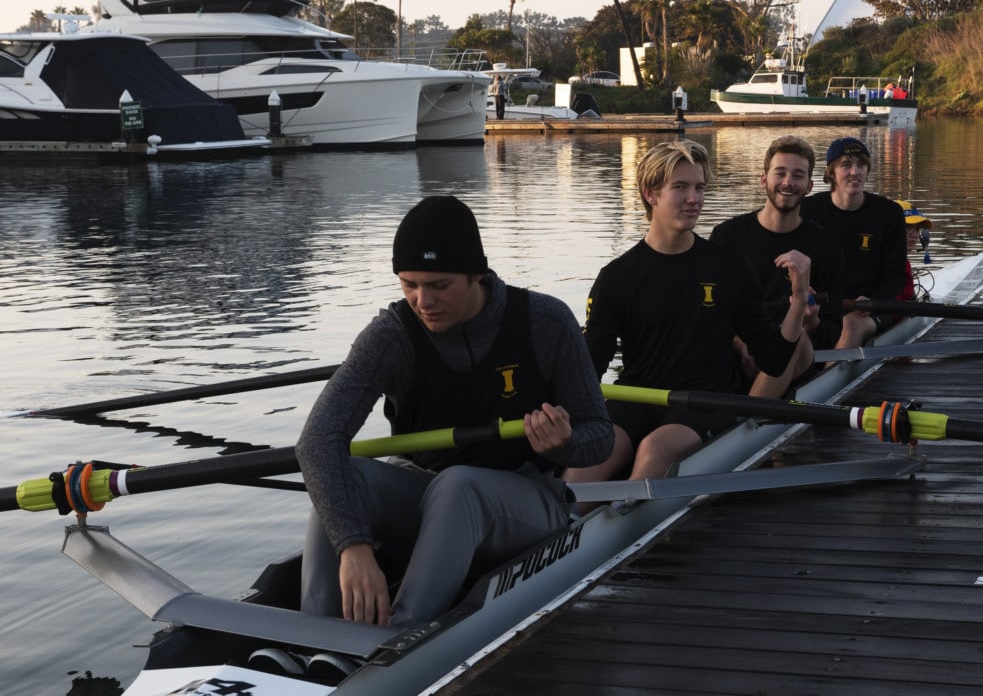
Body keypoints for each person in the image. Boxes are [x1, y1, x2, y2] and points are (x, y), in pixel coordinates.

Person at [296, 195, 613, 630]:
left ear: (476, 274)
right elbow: (317, 440)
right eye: (409, 284)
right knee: (342, 476)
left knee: (459, 484)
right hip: (424, 493)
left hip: (526, 501)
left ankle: (400, 636)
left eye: (439, 285)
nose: (422, 301)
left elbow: (600, 435)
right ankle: (314, 633)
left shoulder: (546, 321)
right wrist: (353, 545)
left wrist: (565, 444)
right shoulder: (391, 334)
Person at [563, 139, 810, 501]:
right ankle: (561, 518)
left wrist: (799, 300)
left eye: (699, 187)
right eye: (680, 187)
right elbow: (591, 367)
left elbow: (773, 360)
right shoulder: (617, 276)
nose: (694, 199)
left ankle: (620, 518)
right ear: (650, 194)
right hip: (637, 394)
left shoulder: (727, 266)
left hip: (705, 400)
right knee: (598, 448)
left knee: (655, 447)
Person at [710, 134, 842, 392]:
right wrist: (740, 345)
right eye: (780, 173)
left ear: (809, 186)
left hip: (797, 361)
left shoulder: (826, 246)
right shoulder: (726, 236)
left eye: (798, 176)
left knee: (792, 337)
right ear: (764, 180)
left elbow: (833, 331)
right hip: (738, 353)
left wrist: (812, 322)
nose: (788, 182)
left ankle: (752, 413)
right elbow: (712, 313)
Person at [801, 137, 907, 350]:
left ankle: (831, 369)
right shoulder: (807, 210)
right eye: (846, 165)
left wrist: (873, 300)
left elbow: (895, 274)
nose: (855, 172)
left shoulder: (889, 213)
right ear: (831, 172)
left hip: (871, 308)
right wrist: (802, 290)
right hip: (820, 304)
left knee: (850, 323)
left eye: (861, 165)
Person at [897, 200, 932, 301]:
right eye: (908, 227)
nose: (914, 235)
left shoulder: (903, 262)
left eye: (917, 228)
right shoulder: (875, 262)